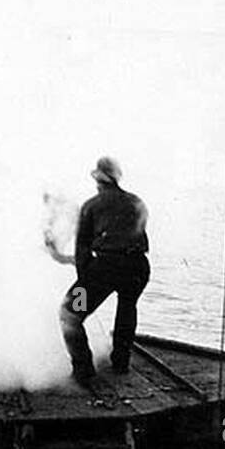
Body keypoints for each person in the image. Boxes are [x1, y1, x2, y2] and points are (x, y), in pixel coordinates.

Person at [56, 156, 150, 384]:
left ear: (98, 180)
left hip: (106, 268)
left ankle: (83, 370)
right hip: (139, 267)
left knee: (70, 315)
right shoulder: (137, 202)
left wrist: (84, 282)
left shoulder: (91, 205)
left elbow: (82, 249)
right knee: (127, 308)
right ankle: (121, 362)